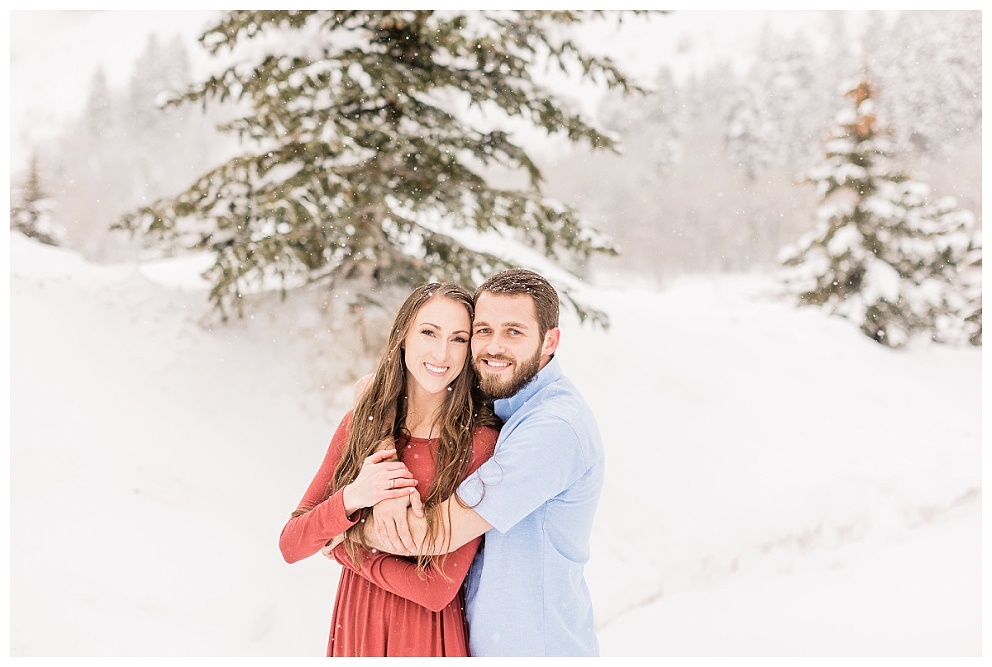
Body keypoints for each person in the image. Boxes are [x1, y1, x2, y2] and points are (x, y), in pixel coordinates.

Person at [352, 268, 606, 657]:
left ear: (549, 342)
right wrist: (386, 470)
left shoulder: (553, 429)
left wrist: (346, 533)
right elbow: (373, 386)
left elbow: (432, 534)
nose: (493, 347)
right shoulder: (502, 394)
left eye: (514, 331)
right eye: (483, 330)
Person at [278, 282, 500, 657]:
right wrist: (353, 497)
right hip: (355, 626)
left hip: (423, 637)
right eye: (429, 332)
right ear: (403, 337)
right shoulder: (360, 425)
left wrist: (348, 543)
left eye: (458, 339)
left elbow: (436, 589)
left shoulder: (478, 443)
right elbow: (291, 543)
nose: (441, 353)